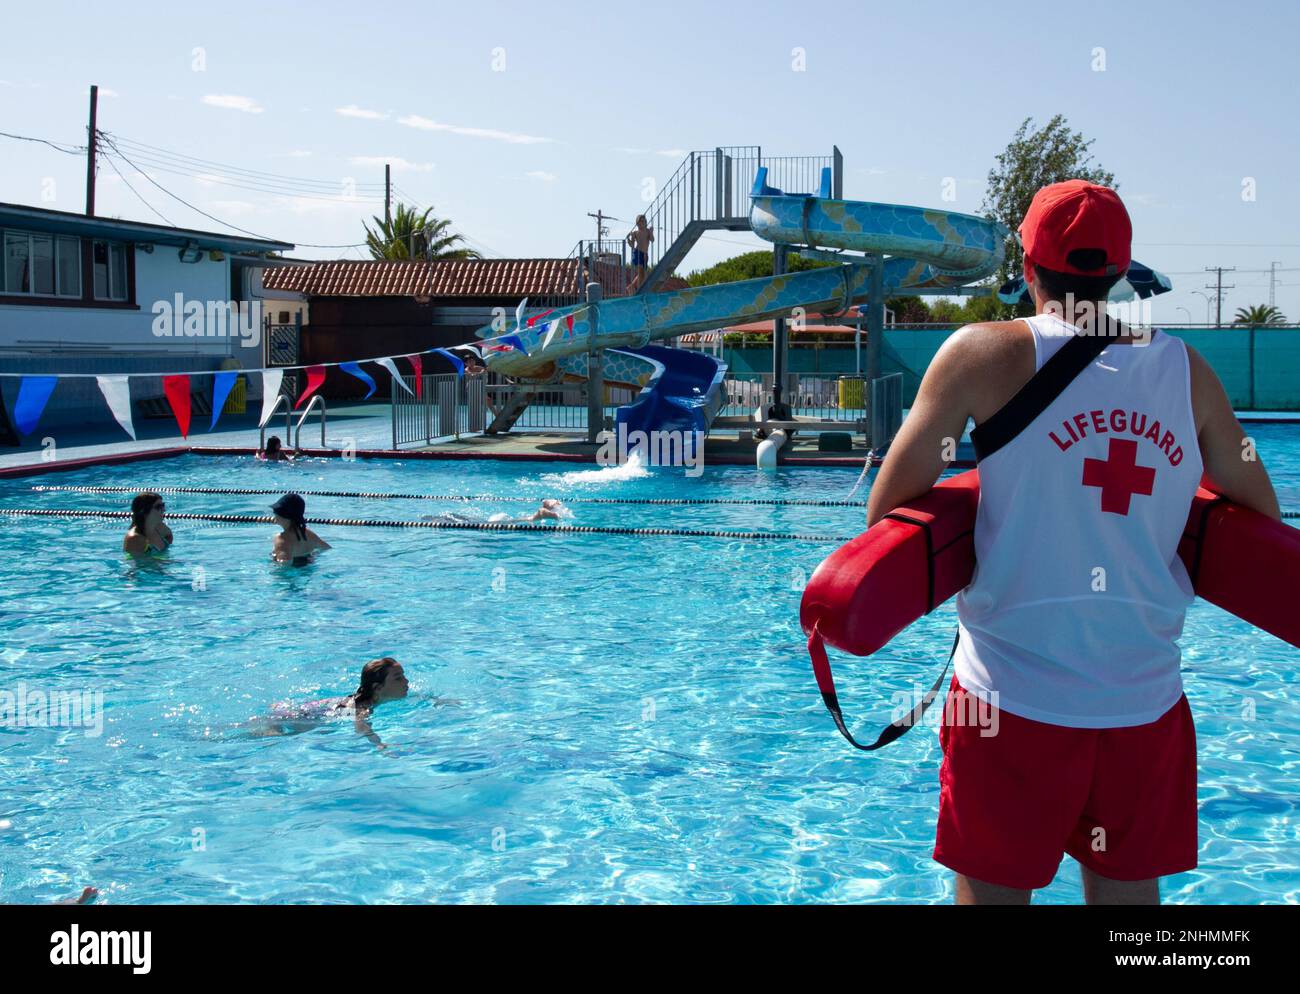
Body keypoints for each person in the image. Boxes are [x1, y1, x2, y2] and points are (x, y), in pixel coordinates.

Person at [865, 180, 1280, 906]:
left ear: (1027, 267)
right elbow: (1258, 505)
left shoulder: (977, 354)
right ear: (1121, 273)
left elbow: (887, 508)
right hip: (1142, 702)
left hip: (1007, 700)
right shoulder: (1186, 371)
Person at [258, 658, 410, 749]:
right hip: (296, 719)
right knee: (268, 739)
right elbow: (361, 727)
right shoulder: (362, 707)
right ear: (378, 687)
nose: (406, 681)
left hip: (296, 711)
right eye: (398, 678)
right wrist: (380, 745)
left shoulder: (366, 698)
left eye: (403, 675)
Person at [270, 493, 330, 566]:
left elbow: (284, 565)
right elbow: (327, 548)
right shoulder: (308, 534)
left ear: (285, 516)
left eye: (276, 512)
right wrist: (312, 557)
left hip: (292, 575)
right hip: (308, 572)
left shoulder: (281, 539)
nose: (274, 514)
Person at [123, 492, 173, 557]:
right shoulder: (135, 538)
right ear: (144, 511)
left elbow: (169, 536)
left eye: (163, 505)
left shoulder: (160, 527)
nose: (163, 510)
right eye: (158, 507)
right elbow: (140, 563)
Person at [626, 215, 654, 292]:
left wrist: (651, 232)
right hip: (637, 253)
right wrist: (628, 239)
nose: (643, 223)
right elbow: (632, 245)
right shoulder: (635, 233)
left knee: (642, 274)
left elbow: (652, 240)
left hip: (645, 254)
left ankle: (631, 286)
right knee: (640, 271)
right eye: (641, 221)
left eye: (644, 221)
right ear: (637, 223)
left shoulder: (648, 231)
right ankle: (638, 289)